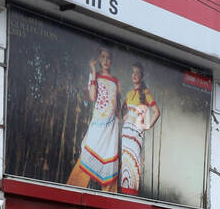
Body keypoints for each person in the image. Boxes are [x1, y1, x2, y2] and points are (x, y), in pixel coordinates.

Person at [66, 49, 121, 190]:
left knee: (110, 158)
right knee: (89, 153)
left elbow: (118, 103)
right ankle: (73, 190)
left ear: (112, 60)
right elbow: (92, 97)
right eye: (103, 57)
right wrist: (93, 71)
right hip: (98, 123)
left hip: (111, 127)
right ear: (98, 59)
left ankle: (110, 197)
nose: (106, 60)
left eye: (109, 57)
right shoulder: (94, 76)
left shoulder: (116, 81)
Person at [119, 63, 160, 196]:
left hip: (136, 134)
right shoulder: (129, 93)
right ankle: (124, 193)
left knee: (134, 162)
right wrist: (125, 117)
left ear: (142, 77)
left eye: (138, 73)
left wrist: (147, 126)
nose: (135, 75)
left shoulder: (145, 93)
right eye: (133, 72)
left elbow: (157, 112)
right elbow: (123, 109)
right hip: (126, 132)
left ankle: (131, 195)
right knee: (125, 161)